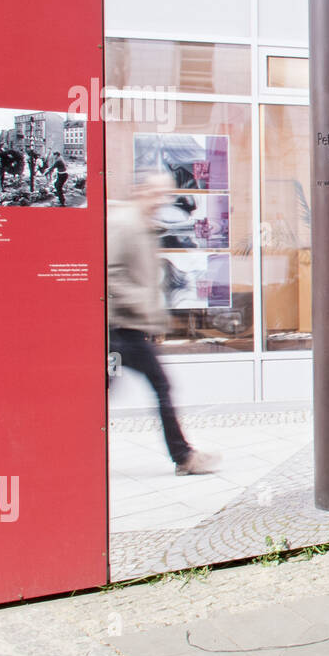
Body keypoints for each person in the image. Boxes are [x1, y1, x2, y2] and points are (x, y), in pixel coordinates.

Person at [107, 174, 220, 476]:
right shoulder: (124, 225)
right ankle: (183, 457)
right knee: (160, 385)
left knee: (105, 393)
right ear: (139, 191)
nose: (161, 199)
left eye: (165, 194)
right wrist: (143, 304)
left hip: (127, 328)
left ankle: (182, 456)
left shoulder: (143, 226)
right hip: (117, 331)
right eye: (156, 193)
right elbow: (109, 275)